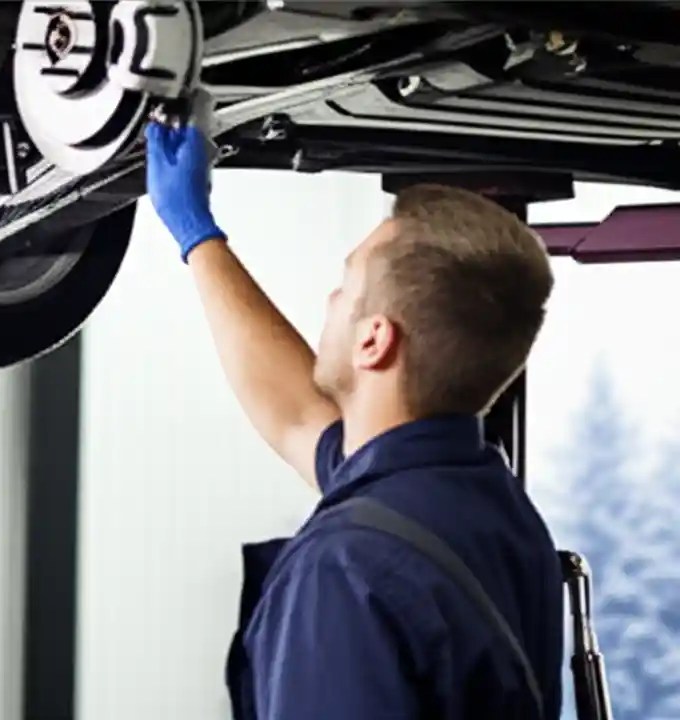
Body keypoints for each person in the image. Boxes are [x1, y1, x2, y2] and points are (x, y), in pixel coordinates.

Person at [144, 119, 565, 719]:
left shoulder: (344, 573)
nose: (330, 300)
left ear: (374, 342)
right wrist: (196, 234)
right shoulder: (491, 511)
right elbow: (295, 417)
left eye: (345, 285)